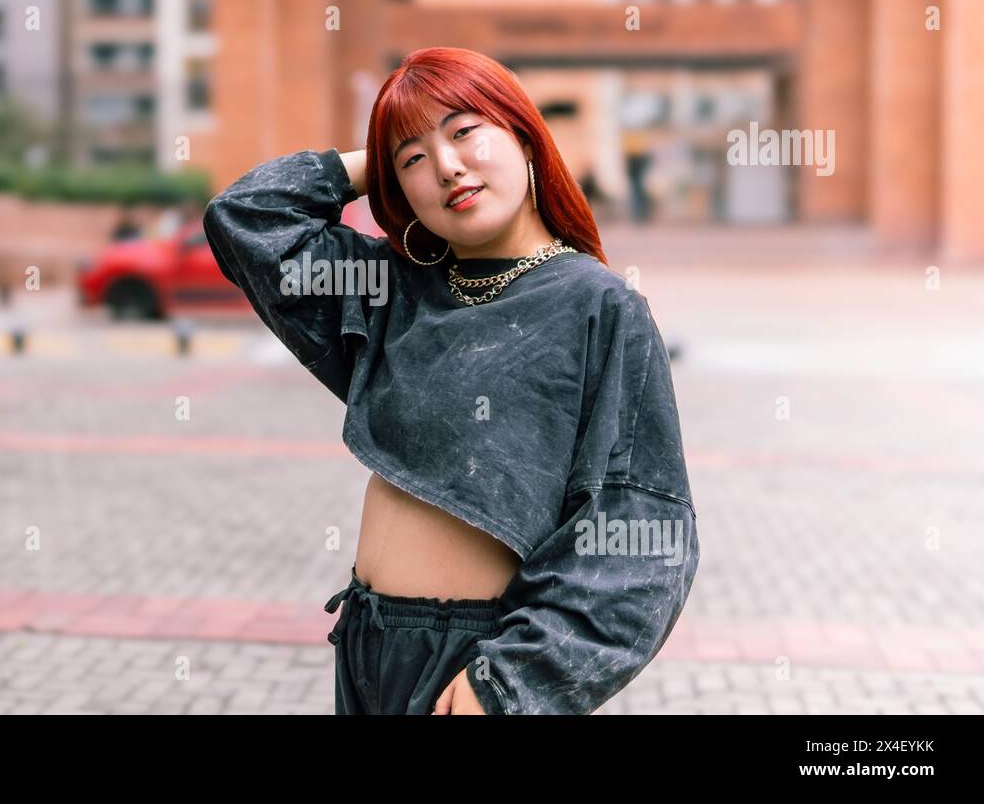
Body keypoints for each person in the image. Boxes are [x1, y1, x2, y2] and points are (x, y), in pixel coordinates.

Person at [202, 47, 699, 715]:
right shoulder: (388, 292)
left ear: (524, 134)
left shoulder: (600, 307)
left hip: (477, 662)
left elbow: (644, 532)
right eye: (412, 159)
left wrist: (511, 683)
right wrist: (371, 161)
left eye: (466, 132)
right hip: (367, 644)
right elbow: (248, 219)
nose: (446, 166)